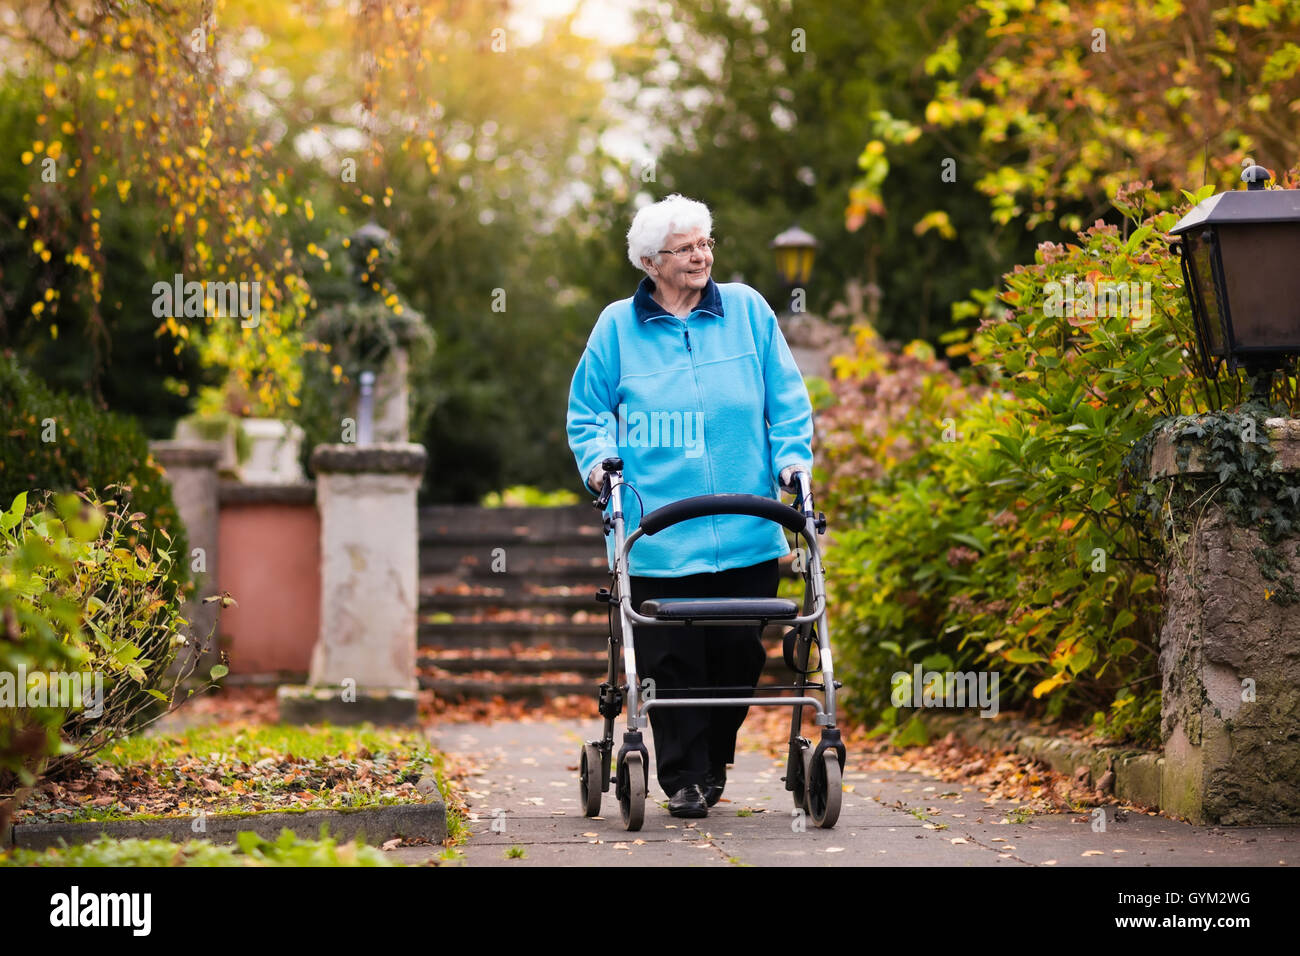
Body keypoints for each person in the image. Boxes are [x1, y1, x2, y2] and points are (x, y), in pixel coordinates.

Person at [566, 193, 814, 819]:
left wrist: (793, 458)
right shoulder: (617, 326)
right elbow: (588, 412)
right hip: (656, 531)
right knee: (669, 661)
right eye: (685, 248)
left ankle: (713, 763)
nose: (701, 256)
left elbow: (786, 398)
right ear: (651, 262)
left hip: (747, 523)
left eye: (706, 243)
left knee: (739, 653)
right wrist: (601, 465)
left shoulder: (750, 312)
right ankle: (683, 777)